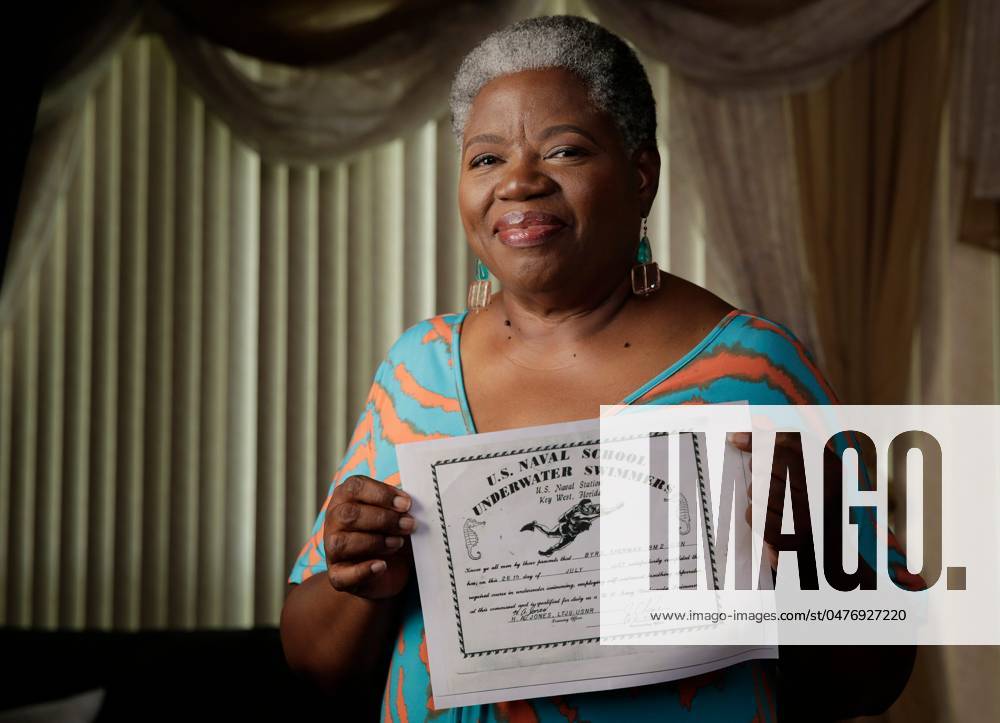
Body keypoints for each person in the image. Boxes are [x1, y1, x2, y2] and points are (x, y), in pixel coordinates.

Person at [280, 15, 915, 722]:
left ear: (641, 176)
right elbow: (315, 663)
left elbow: (876, 679)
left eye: (564, 150)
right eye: (485, 159)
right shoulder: (417, 368)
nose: (518, 182)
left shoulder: (756, 368)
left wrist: (814, 551)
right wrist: (360, 579)